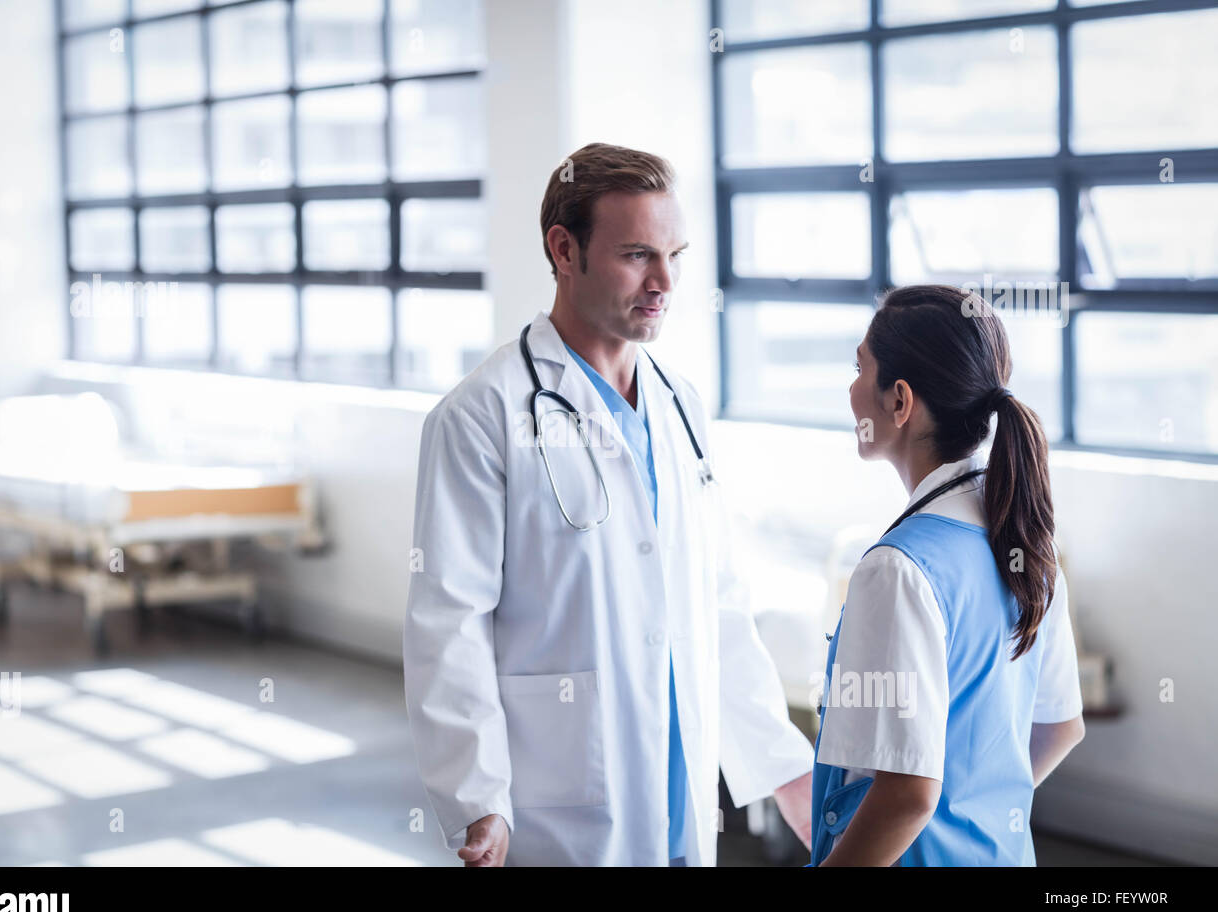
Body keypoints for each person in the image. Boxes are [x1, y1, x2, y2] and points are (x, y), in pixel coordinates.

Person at [403, 142, 814, 866]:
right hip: (563, 801)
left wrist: (782, 765)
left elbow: (716, 601)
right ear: (565, 250)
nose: (664, 282)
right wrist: (478, 797)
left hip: (682, 791)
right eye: (636, 256)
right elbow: (449, 622)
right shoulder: (482, 415)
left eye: (674, 254)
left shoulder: (679, 403)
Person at [810, 284, 1085, 866]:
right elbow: (1061, 727)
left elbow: (909, 796)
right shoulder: (1027, 539)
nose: (852, 387)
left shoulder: (897, 569)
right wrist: (978, 811)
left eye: (860, 368)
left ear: (899, 401)